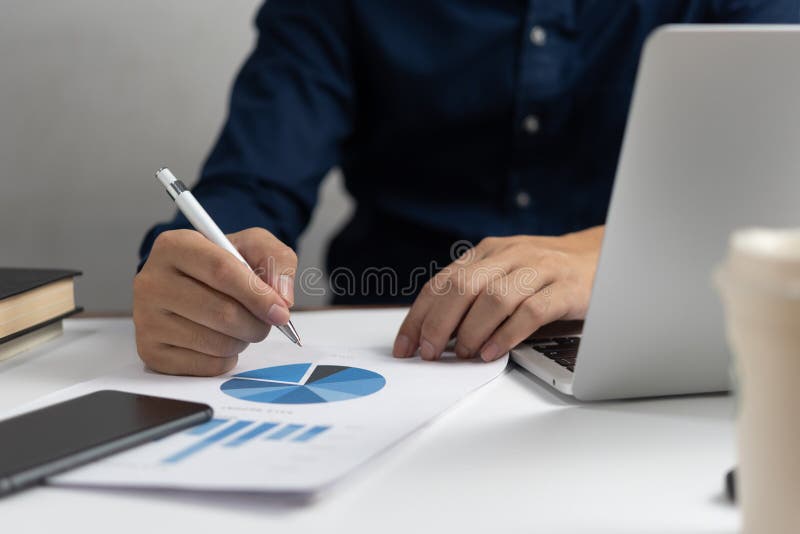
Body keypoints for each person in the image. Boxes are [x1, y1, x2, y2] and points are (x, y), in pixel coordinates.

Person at [134, 1, 800, 376]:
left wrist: (609, 254)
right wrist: (195, 273)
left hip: (657, 347)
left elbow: (777, 184)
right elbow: (251, 185)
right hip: (398, 350)